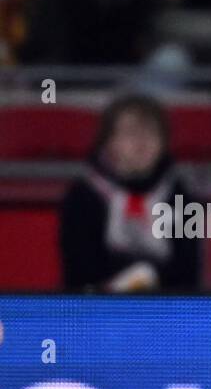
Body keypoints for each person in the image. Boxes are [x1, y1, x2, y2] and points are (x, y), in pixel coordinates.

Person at [59, 93, 201, 292]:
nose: (142, 142)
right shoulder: (83, 195)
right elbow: (79, 274)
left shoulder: (181, 196)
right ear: (108, 142)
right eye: (130, 133)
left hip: (166, 311)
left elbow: (188, 275)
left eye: (152, 133)